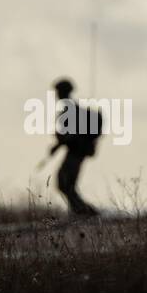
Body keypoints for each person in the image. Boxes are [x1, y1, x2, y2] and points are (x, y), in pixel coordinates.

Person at [49, 79, 101, 216]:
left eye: (58, 92)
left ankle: (85, 212)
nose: (57, 95)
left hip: (76, 152)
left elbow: (71, 133)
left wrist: (59, 142)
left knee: (65, 182)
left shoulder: (71, 109)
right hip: (76, 151)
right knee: (66, 183)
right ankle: (82, 212)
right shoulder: (71, 108)